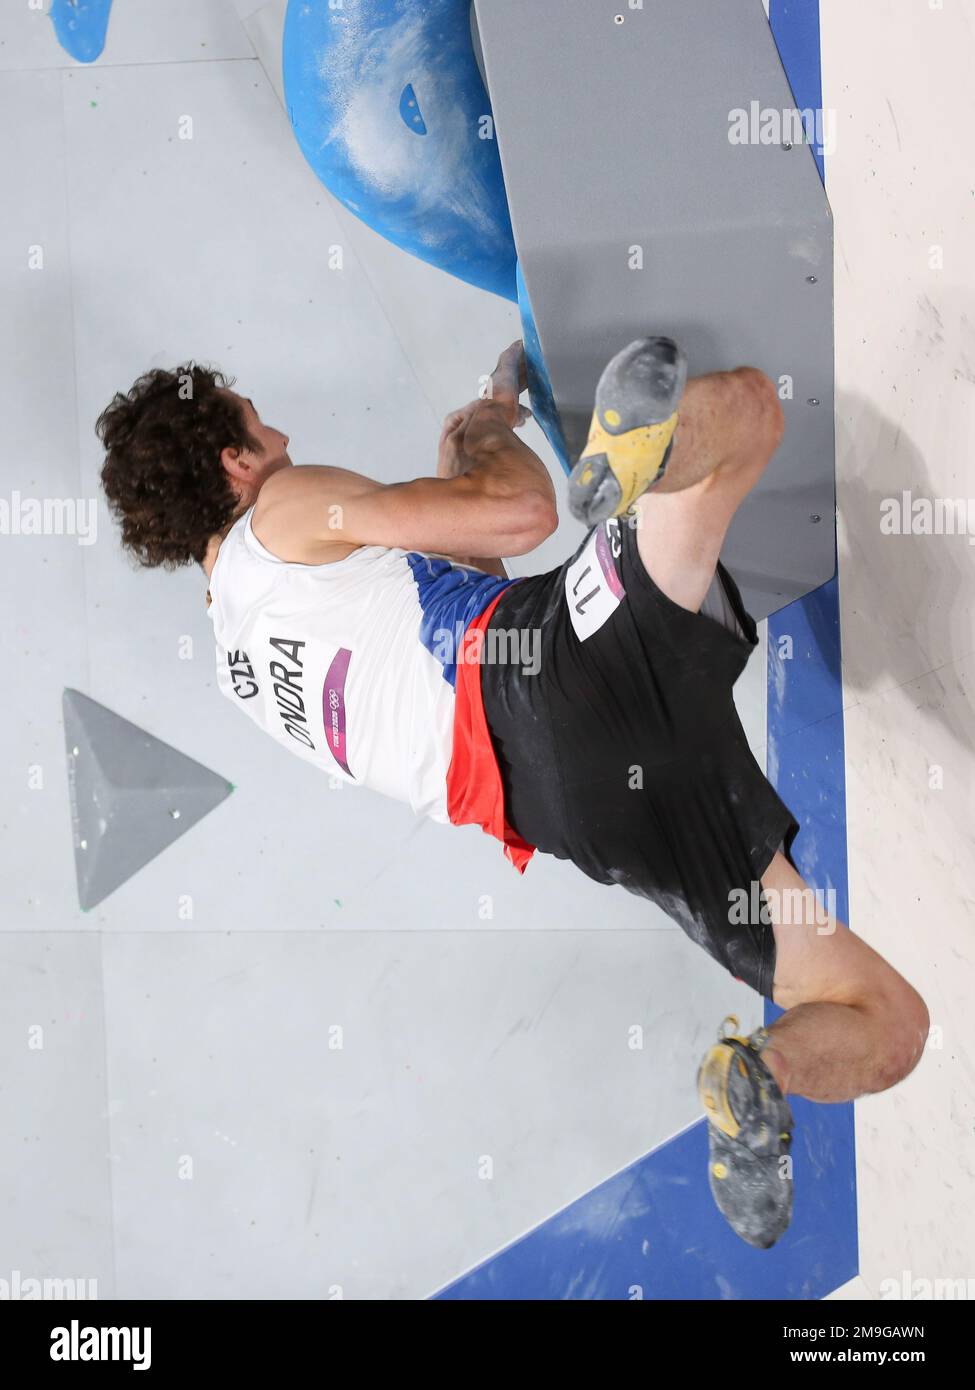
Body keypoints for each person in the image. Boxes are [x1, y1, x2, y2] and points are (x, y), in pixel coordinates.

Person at [97, 339, 929, 1249]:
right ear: (234, 460)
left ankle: (758, 1074)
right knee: (745, 413)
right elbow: (523, 514)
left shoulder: (241, 674)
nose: (279, 429)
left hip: (575, 807)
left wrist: (458, 485)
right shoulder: (281, 510)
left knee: (887, 1024)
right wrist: (493, 425)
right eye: (255, 418)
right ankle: (627, 460)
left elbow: (427, 646)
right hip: (555, 672)